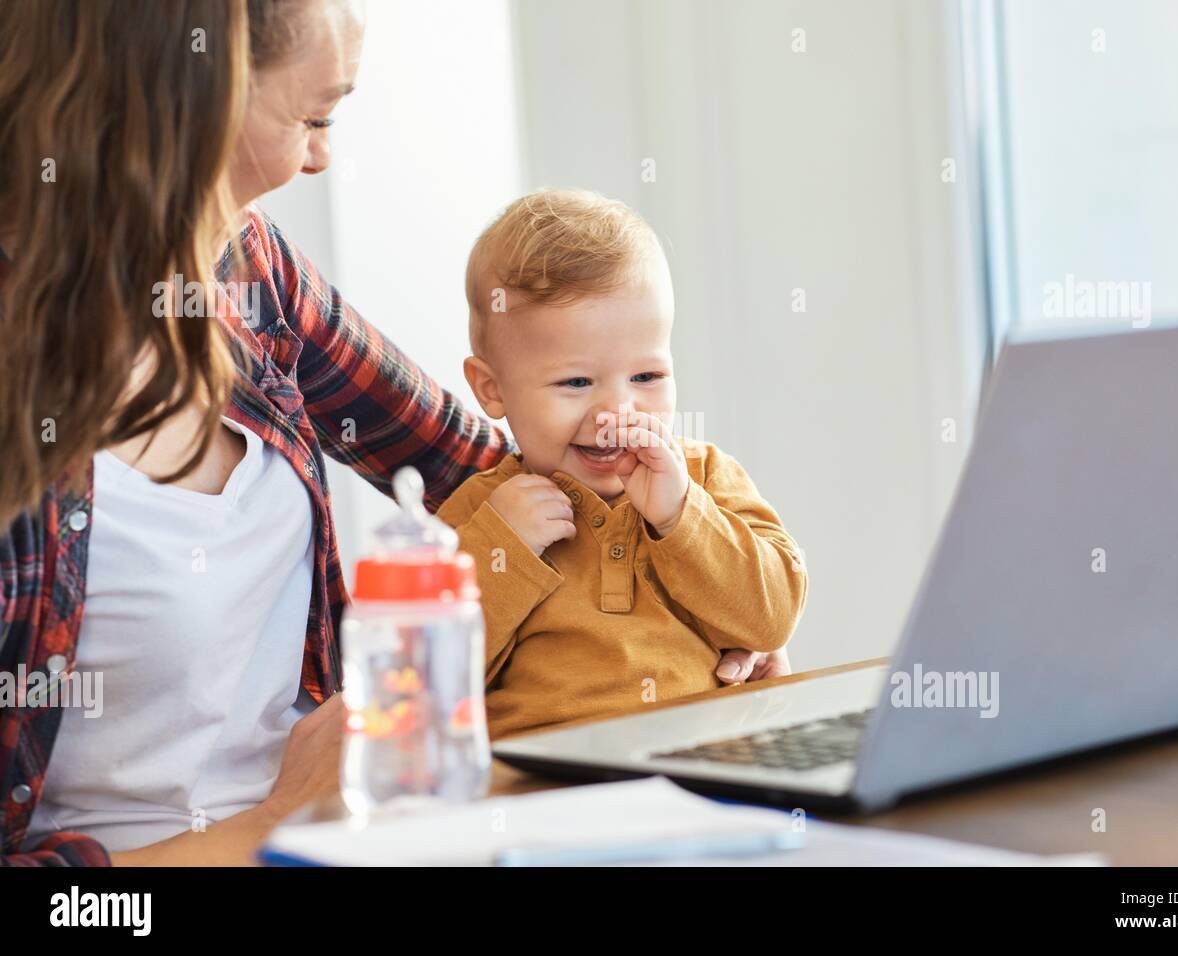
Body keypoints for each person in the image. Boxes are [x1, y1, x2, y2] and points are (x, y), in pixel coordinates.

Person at [0, 0, 787, 867]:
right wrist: (272, 821)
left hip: (374, 830)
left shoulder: (250, 273)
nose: (320, 156)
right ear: (181, 96)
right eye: (312, 115)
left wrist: (688, 589)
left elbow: (498, 462)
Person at [438, 189, 807, 738]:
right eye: (576, 382)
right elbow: (430, 682)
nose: (617, 411)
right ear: (492, 389)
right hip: (539, 787)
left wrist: (683, 515)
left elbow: (771, 617)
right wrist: (503, 551)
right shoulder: (479, 513)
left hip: (704, 764)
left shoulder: (702, 478)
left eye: (646, 377)